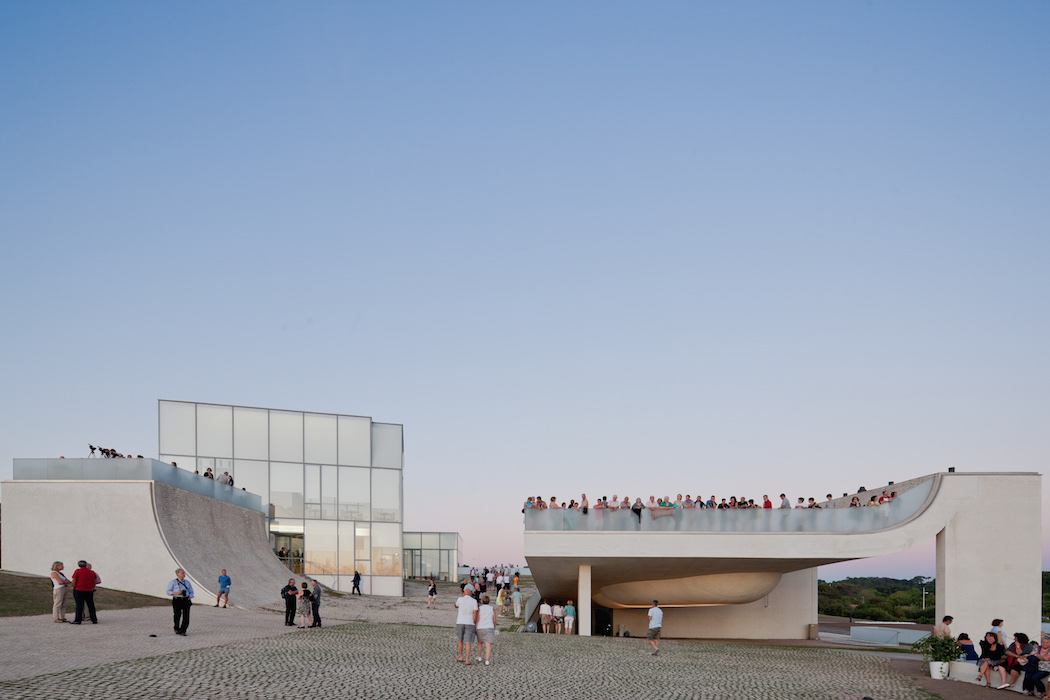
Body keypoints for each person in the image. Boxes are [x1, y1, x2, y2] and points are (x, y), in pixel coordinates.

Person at [454, 585, 479, 665]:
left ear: (464, 592)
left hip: (460, 621)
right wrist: (474, 622)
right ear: (471, 593)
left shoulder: (460, 599)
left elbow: (455, 605)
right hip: (469, 622)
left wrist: (462, 597)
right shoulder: (474, 601)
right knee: (468, 642)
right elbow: (475, 613)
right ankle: (467, 659)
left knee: (460, 639)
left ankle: (461, 656)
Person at [166, 568, 195, 636]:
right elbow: (168, 591)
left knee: (186, 616)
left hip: (185, 600)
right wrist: (176, 593)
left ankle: (183, 630)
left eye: (184, 573)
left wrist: (190, 596)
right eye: (182, 573)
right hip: (177, 599)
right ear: (177, 574)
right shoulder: (173, 582)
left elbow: (191, 591)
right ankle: (176, 628)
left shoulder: (187, 582)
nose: (184, 574)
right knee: (177, 615)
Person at [70, 560, 98, 624]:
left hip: (79, 589)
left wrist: (73, 587)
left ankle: (78, 619)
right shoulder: (92, 572)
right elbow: (95, 581)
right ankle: (94, 619)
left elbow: (74, 580)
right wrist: (92, 587)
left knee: (79, 605)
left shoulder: (78, 571)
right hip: (89, 590)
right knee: (90, 605)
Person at [476, 595, 496, 665]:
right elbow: (494, 620)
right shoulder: (492, 608)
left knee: (480, 643)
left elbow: (477, 619)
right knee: (488, 645)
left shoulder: (479, 608)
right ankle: (487, 660)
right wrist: (494, 627)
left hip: (480, 627)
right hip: (489, 627)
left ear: (482, 601)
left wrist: (475, 627)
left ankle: (479, 657)